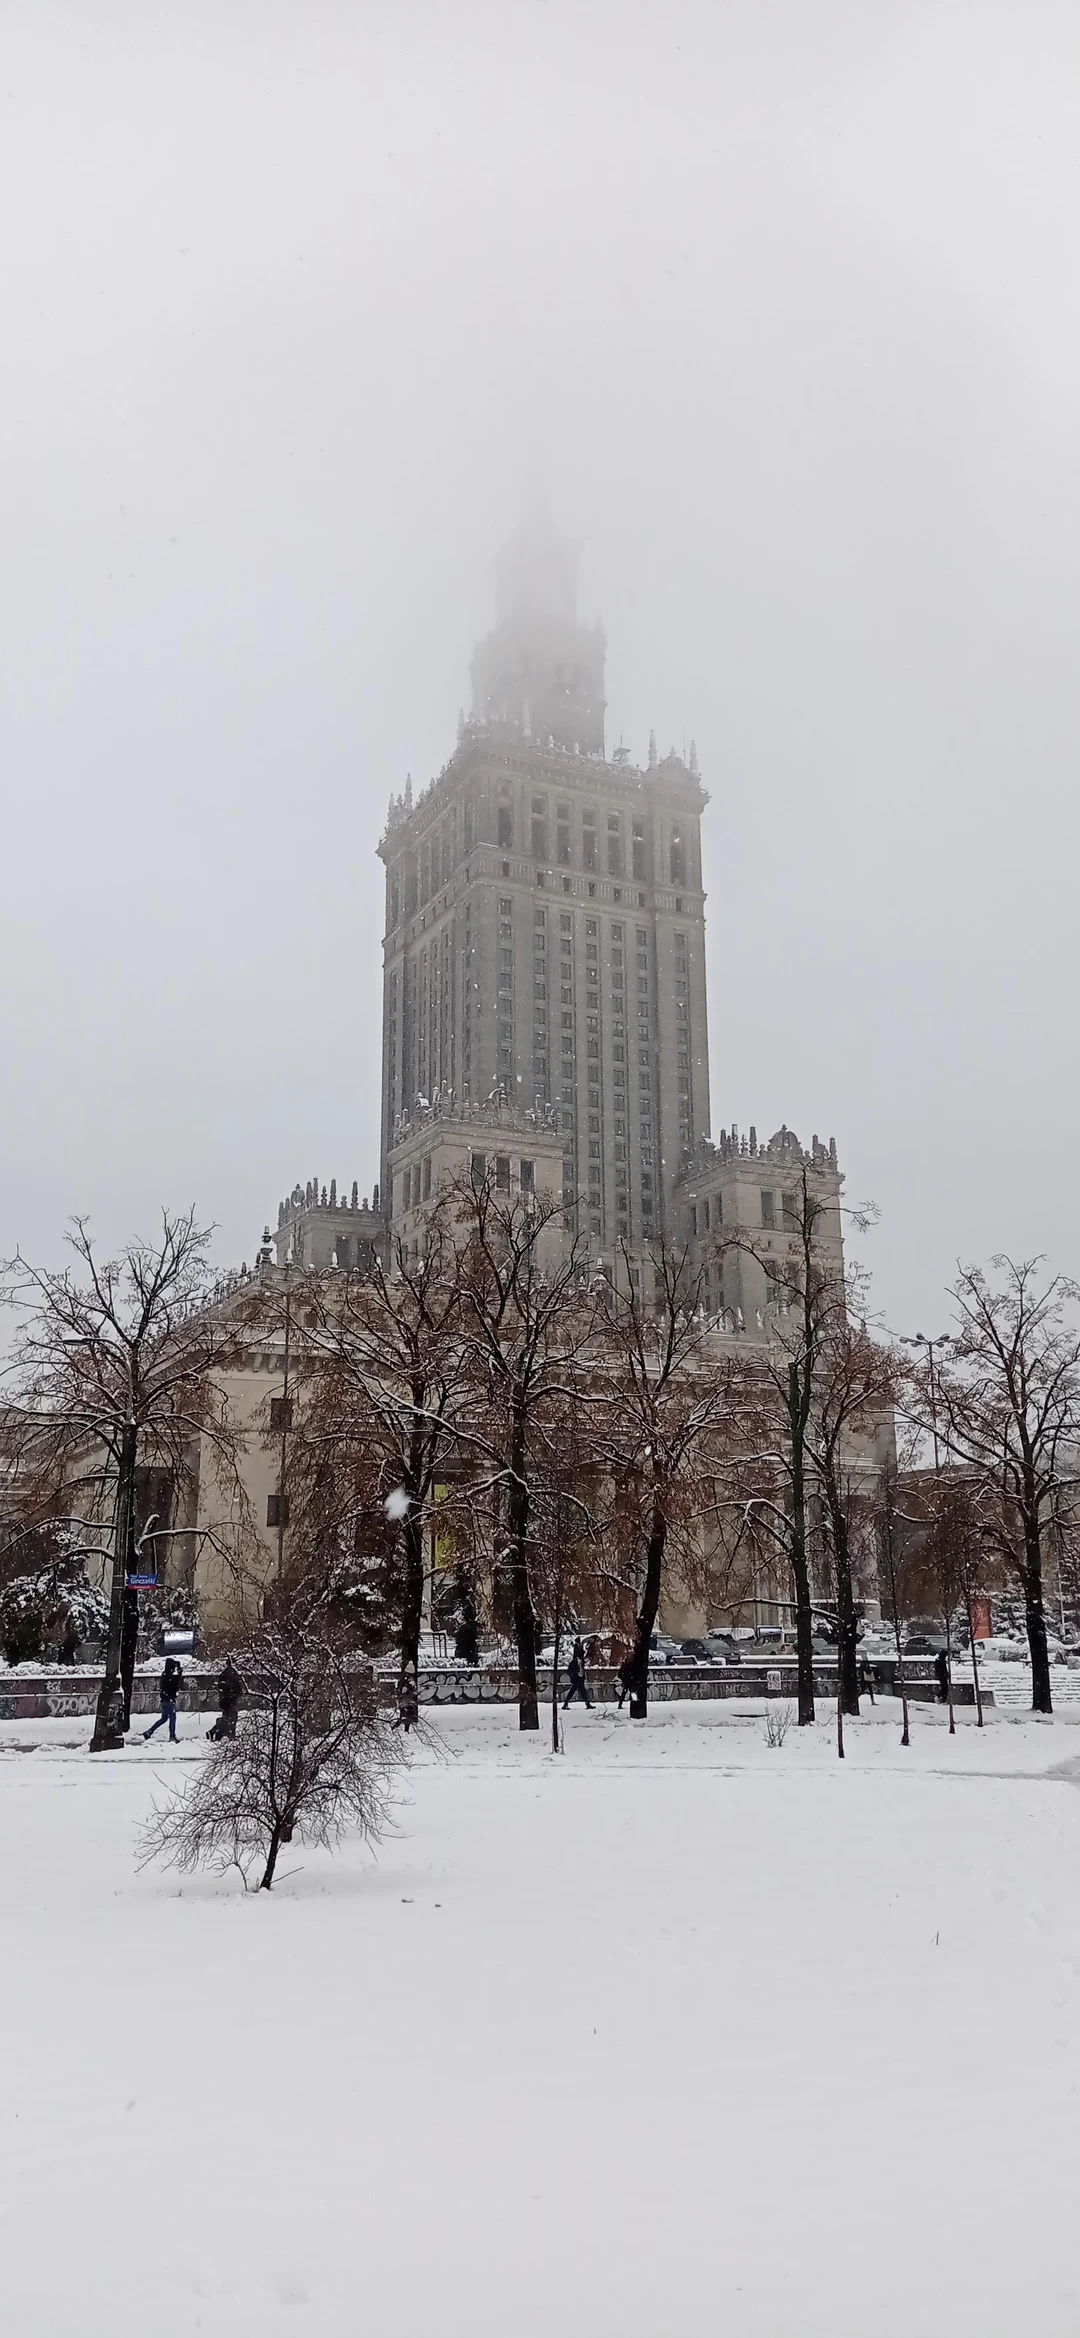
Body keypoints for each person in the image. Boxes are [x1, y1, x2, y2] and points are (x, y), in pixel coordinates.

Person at [144, 1656, 183, 1742]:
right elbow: (176, 1683)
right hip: (169, 1700)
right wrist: (179, 1671)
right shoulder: (169, 1676)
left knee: (164, 1719)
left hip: (164, 1700)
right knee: (172, 1718)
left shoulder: (164, 1675)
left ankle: (149, 1731)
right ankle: (172, 1736)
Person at [208, 1655, 242, 1742]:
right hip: (230, 1700)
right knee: (230, 1718)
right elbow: (237, 1688)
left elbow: (221, 1687)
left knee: (227, 1718)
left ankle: (218, 1733)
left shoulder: (224, 1674)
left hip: (224, 1700)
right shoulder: (233, 1674)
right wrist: (236, 1693)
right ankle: (217, 1732)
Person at [563, 1635, 591, 1711]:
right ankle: (587, 1704)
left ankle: (566, 1704)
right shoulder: (576, 1661)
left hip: (579, 1678)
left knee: (579, 1691)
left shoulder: (579, 1660)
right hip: (577, 1678)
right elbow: (571, 1670)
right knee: (578, 1691)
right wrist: (575, 1675)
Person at [393, 1663, 419, 1733]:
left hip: (404, 1700)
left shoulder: (403, 1678)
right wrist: (412, 1688)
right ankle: (400, 1728)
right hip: (407, 1700)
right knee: (407, 1715)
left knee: (405, 1715)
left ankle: (397, 1727)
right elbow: (405, 1690)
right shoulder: (407, 1679)